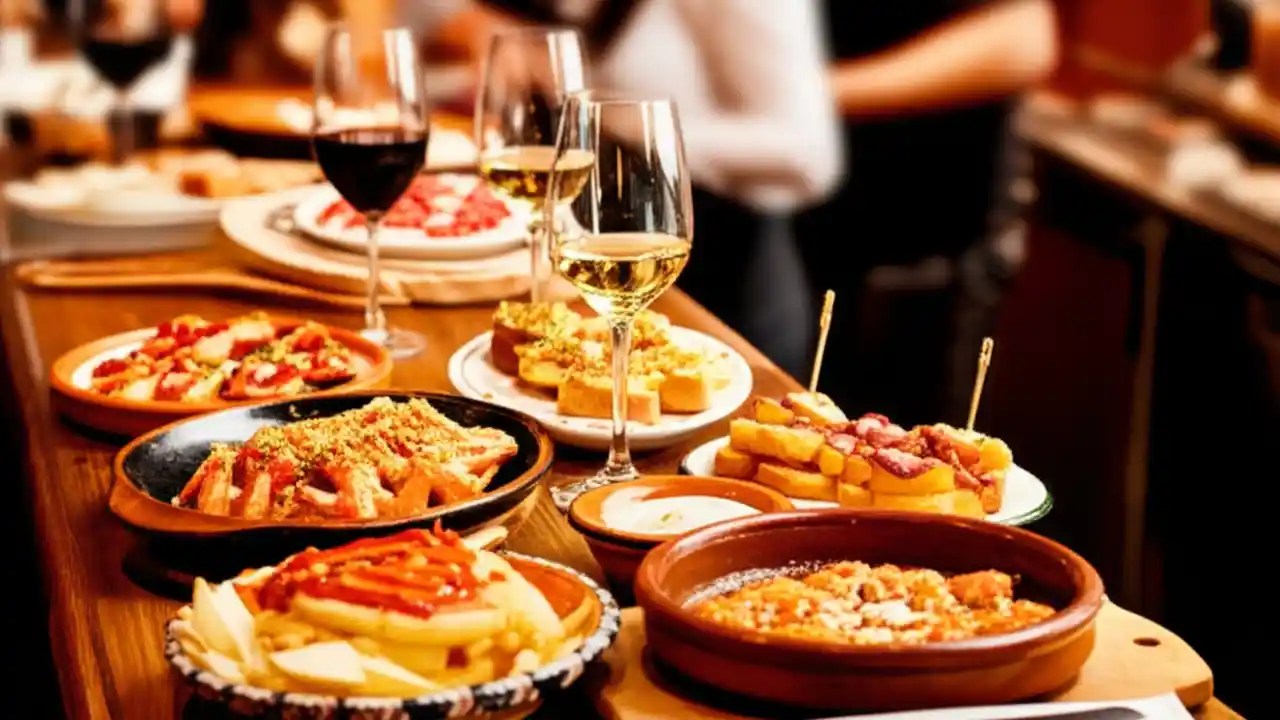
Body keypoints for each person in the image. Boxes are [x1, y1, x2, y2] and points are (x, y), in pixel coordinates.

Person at [407, 0, 843, 376]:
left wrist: (618, 120)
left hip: (720, 278)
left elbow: (808, 154)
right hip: (585, 252)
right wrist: (470, 22)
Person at [796, 0, 1058, 424]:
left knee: (914, 466)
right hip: (806, 234)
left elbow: (1023, 38)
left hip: (928, 246)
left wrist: (807, 94)